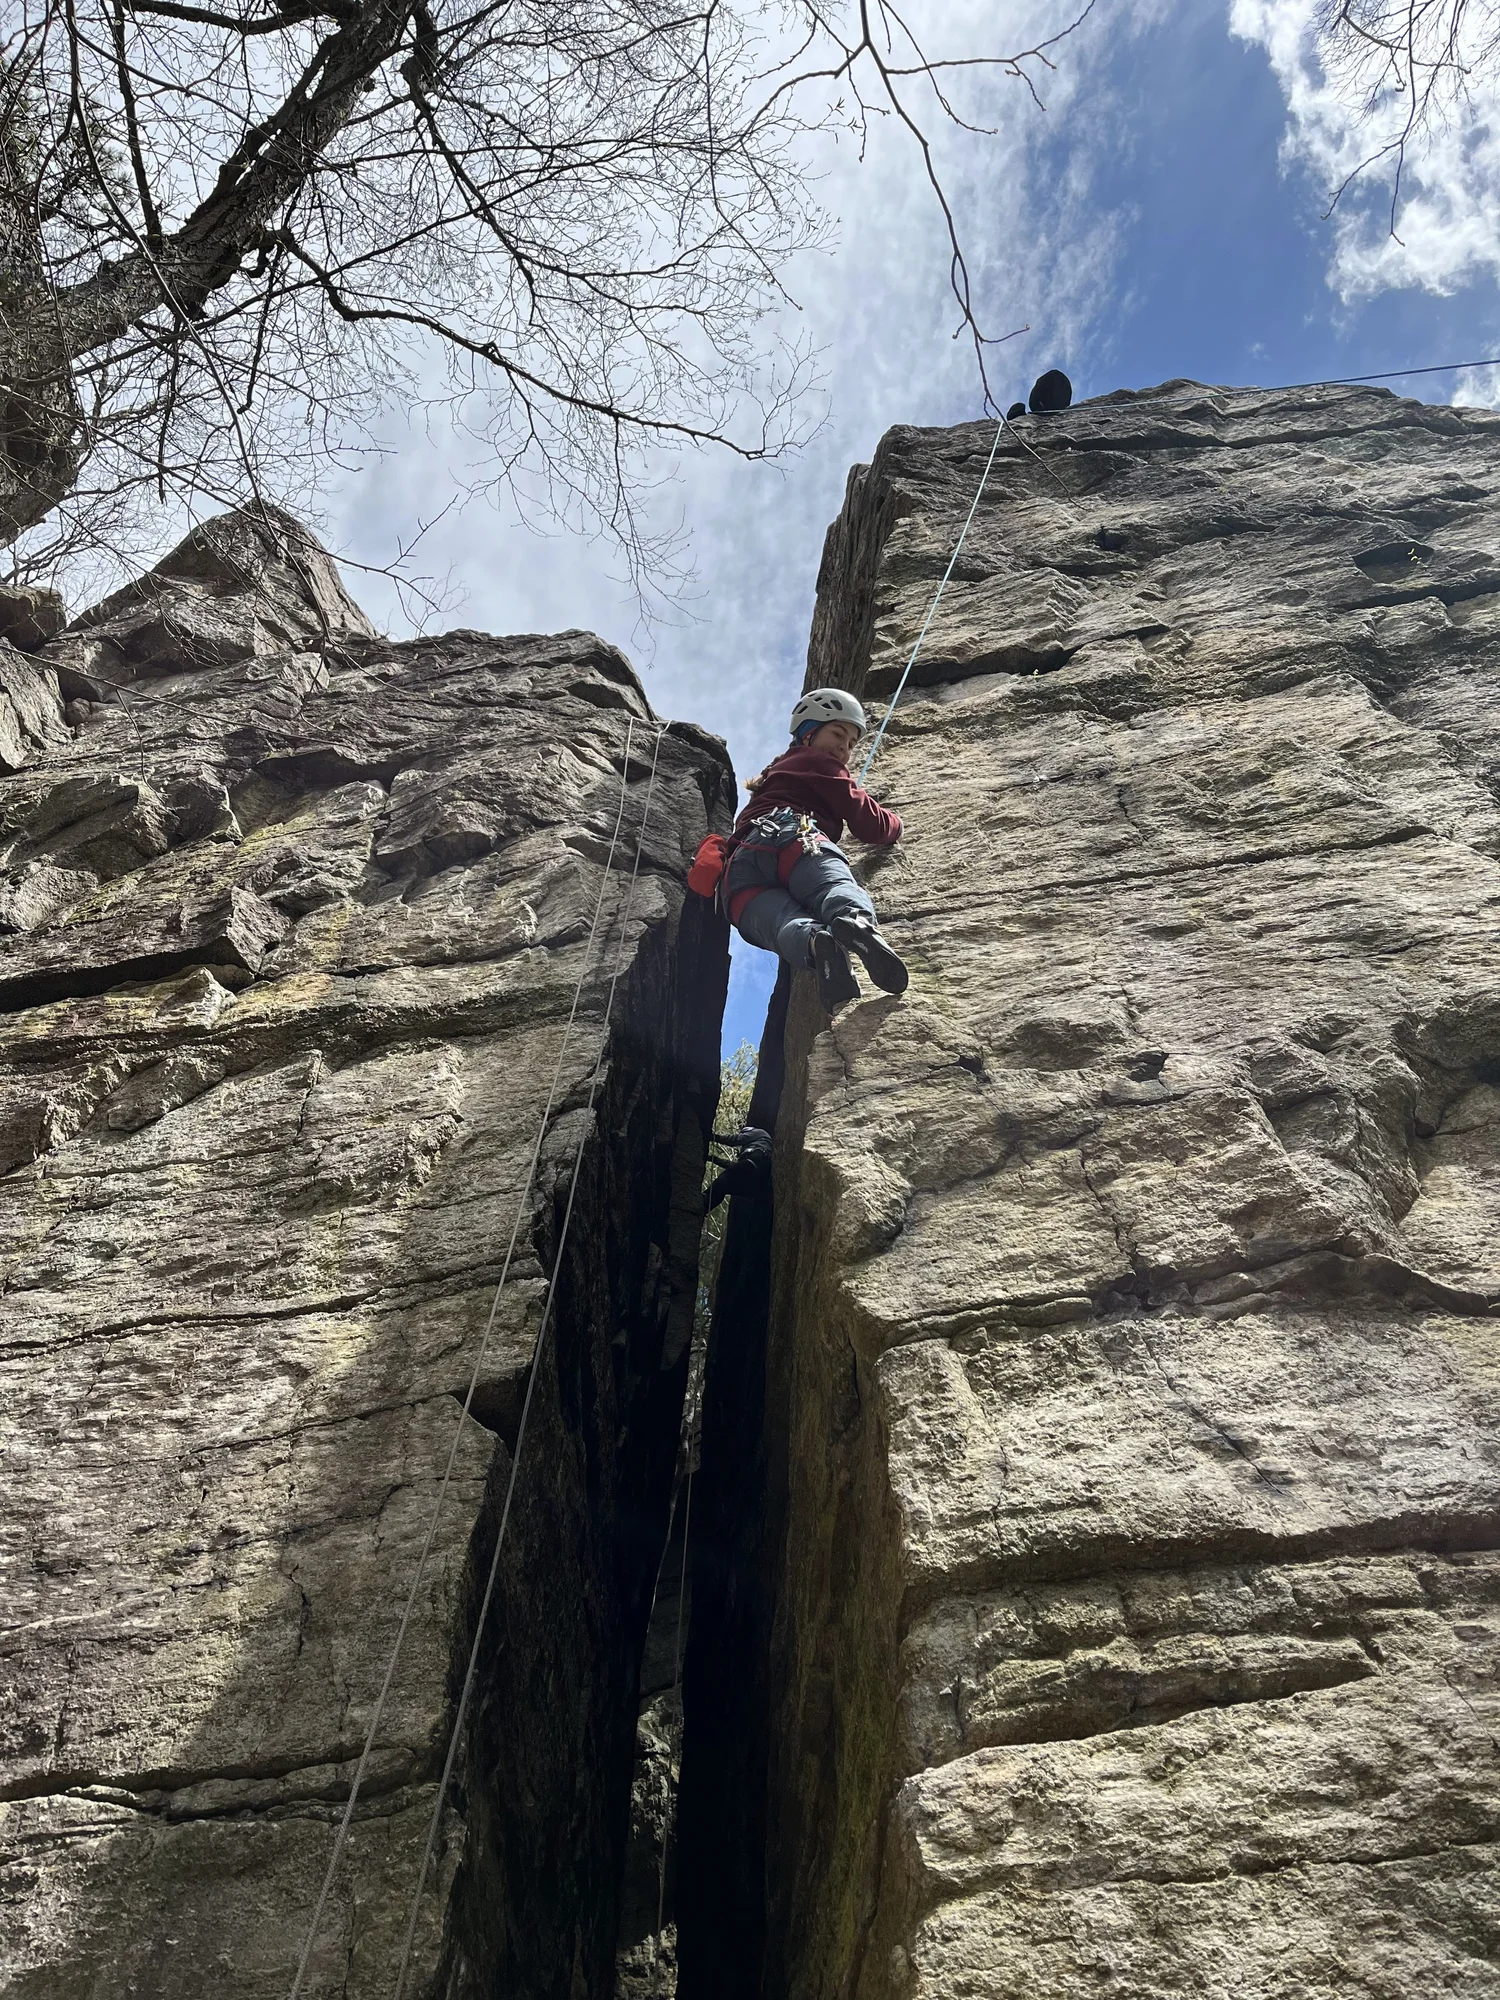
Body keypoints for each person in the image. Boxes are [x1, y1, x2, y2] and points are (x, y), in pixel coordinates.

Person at [725, 688, 908, 1011]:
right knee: (831, 887)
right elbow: (868, 822)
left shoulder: (775, 773)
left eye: (851, 744)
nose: (844, 747)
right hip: (793, 837)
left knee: (782, 924)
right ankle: (855, 923)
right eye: (837, 733)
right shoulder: (817, 762)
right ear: (807, 733)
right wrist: (895, 824)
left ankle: (816, 943)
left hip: (739, 876)